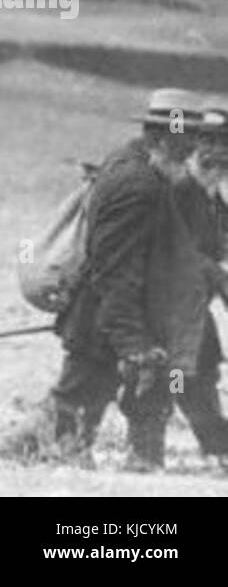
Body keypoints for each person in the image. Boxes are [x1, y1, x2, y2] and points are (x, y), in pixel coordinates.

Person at [49, 88, 215, 471]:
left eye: (194, 140)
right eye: (183, 142)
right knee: (77, 408)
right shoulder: (136, 185)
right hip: (104, 319)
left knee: (153, 403)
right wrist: (133, 344)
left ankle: (146, 465)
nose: (191, 150)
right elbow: (113, 272)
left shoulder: (152, 171)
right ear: (158, 139)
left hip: (143, 321)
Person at [167, 103, 228, 463]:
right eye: (207, 141)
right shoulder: (176, 189)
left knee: (202, 372)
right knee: (177, 379)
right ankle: (144, 449)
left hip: (192, 309)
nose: (215, 150)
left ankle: (218, 445)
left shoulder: (214, 198)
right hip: (161, 308)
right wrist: (219, 278)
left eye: (223, 142)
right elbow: (172, 253)